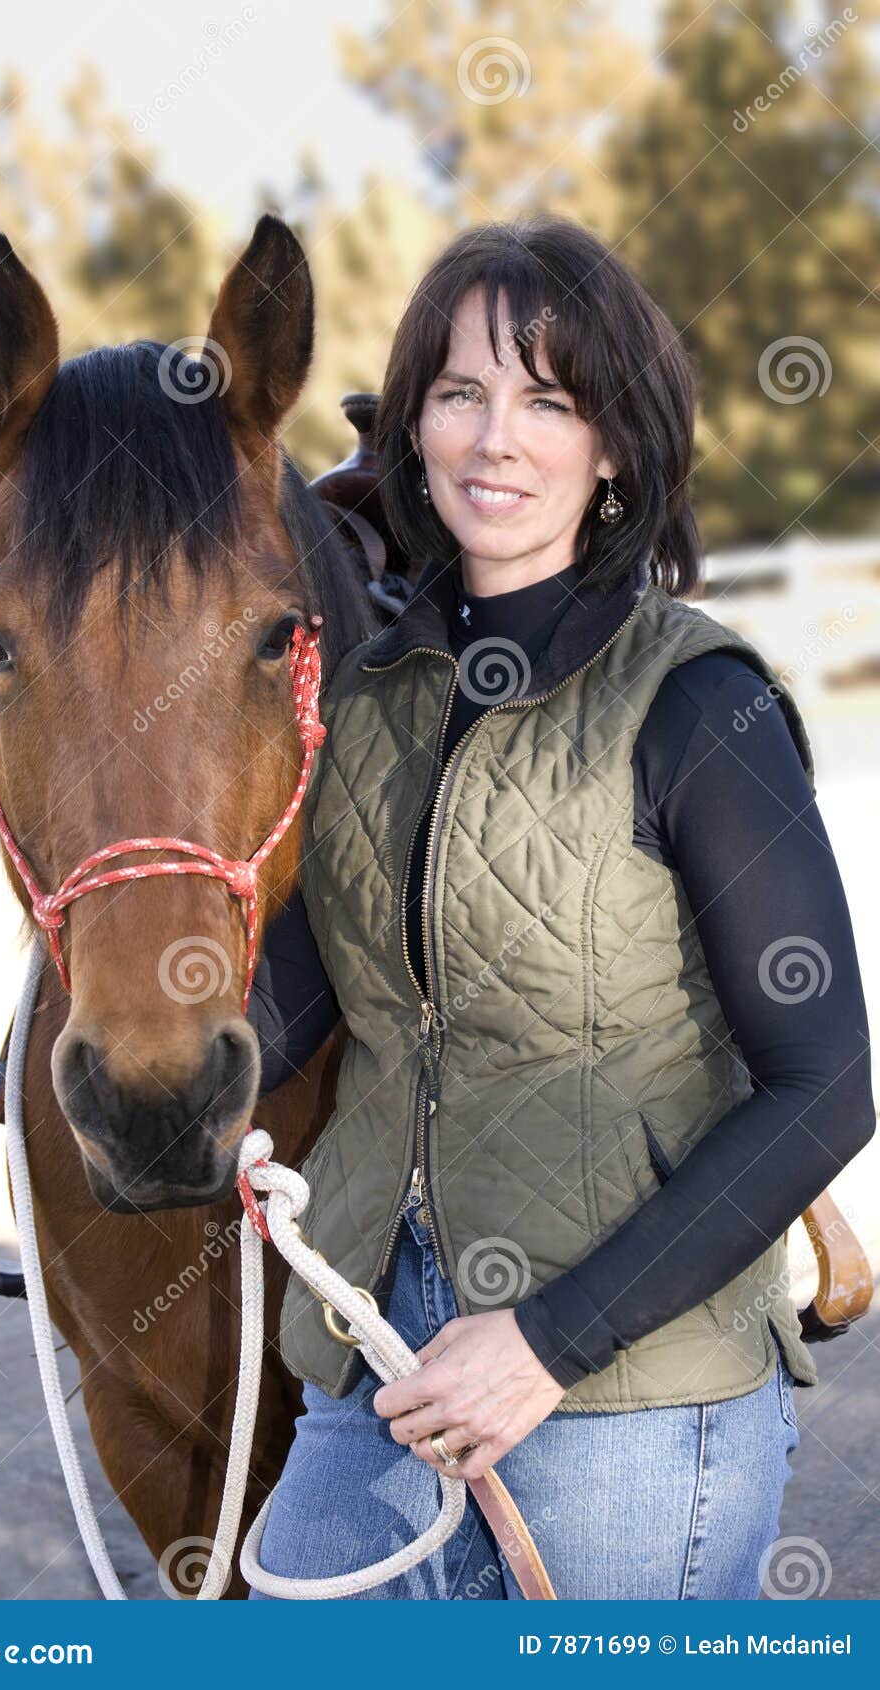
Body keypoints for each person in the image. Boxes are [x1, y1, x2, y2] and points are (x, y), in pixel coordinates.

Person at [243, 215, 875, 1600]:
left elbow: (826, 1088)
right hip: (376, 1358)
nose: (495, 439)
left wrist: (544, 1340)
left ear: (617, 447)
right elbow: (285, 1012)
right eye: (460, 392)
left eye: (549, 399)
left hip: (628, 1398)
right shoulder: (361, 706)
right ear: (411, 426)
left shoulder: (701, 704)